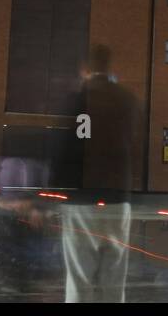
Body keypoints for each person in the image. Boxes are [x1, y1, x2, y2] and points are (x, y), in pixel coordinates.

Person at [59, 44, 139, 302]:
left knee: (79, 280)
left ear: (84, 69)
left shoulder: (80, 99)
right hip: (118, 199)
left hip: (83, 199)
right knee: (114, 283)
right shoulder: (127, 99)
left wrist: (51, 195)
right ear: (108, 66)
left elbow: (66, 150)